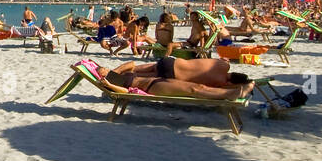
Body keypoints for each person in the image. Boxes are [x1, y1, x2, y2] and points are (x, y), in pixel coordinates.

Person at [87, 59, 253, 100]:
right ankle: (231, 94)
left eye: (102, 69)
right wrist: (108, 84)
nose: (102, 70)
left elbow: (131, 63)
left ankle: (232, 92)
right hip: (154, 86)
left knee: (199, 86)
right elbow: (125, 92)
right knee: (193, 89)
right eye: (101, 70)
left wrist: (111, 71)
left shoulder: (117, 75)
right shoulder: (113, 81)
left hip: (157, 80)